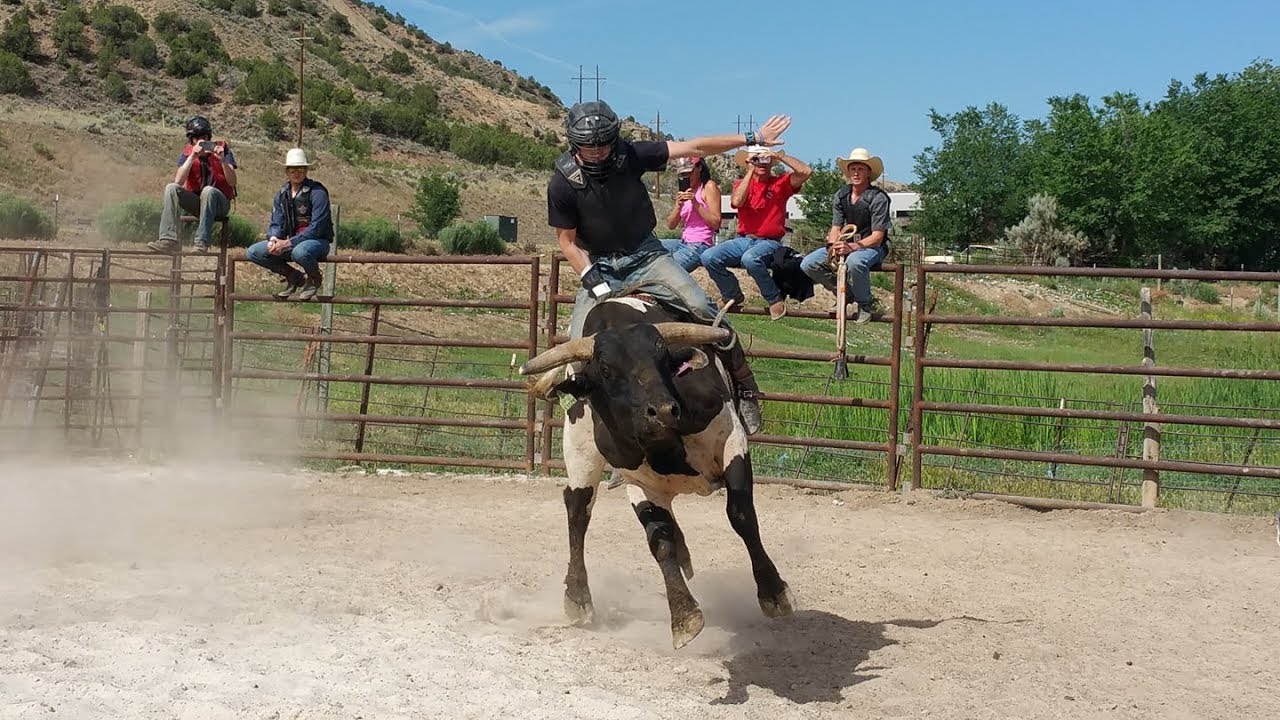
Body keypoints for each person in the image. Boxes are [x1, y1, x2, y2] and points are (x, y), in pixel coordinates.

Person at [547, 99, 794, 434]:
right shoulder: (562, 183)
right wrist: (595, 282)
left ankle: (745, 386)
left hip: (647, 255)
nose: (599, 152)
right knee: (578, 347)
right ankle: (587, 422)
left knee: (701, 307)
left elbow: (693, 146)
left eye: (604, 145)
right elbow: (567, 241)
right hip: (600, 265)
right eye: (590, 147)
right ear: (575, 144)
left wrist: (753, 136)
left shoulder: (630, 154)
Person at [699, 146, 812, 320]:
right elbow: (736, 201)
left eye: (765, 159)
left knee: (750, 259)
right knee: (709, 257)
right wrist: (750, 171)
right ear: (748, 163)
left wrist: (779, 156)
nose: (761, 163)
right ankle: (732, 293)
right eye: (755, 159)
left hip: (769, 241)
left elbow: (805, 171)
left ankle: (774, 298)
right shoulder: (741, 184)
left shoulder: (780, 183)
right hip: (743, 239)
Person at [800, 147, 892, 324]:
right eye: (853, 169)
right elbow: (836, 226)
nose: (856, 173)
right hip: (845, 244)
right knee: (808, 264)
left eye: (860, 169)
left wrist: (852, 248)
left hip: (870, 246)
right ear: (848, 172)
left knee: (855, 262)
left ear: (868, 173)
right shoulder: (841, 195)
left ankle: (865, 304)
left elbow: (877, 236)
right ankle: (845, 292)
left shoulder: (878, 198)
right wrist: (832, 246)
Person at [245, 148, 333, 301]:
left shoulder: (318, 192)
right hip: (291, 242)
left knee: (300, 252)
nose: (296, 172)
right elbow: (276, 222)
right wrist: (274, 239)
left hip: (317, 241)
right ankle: (293, 276)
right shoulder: (281, 194)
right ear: (287, 171)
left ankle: (314, 278)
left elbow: (317, 226)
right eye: (292, 169)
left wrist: (287, 243)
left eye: (300, 168)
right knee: (254, 252)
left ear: (306, 170)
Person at [148, 116, 238, 254]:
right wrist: (192, 157)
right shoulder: (188, 153)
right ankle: (168, 240)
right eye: (196, 138)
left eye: (204, 137)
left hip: (220, 203)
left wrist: (222, 160)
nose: (201, 141)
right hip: (197, 203)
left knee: (208, 191)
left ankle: (201, 242)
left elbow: (232, 181)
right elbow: (178, 181)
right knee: (171, 188)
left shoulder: (222, 150)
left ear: (209, 137)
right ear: (192, 140)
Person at [660, 156, 721, 272]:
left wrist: (695, 203)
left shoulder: (708, 187)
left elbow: (716, 223)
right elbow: (671, 225)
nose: (686, 177)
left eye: (689, 173)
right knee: (651, 247)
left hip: (700, 244)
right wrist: (678, 205)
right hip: (683, 241)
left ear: (699, 168)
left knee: (668, 272)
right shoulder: (685, 190)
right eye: (683, 175)